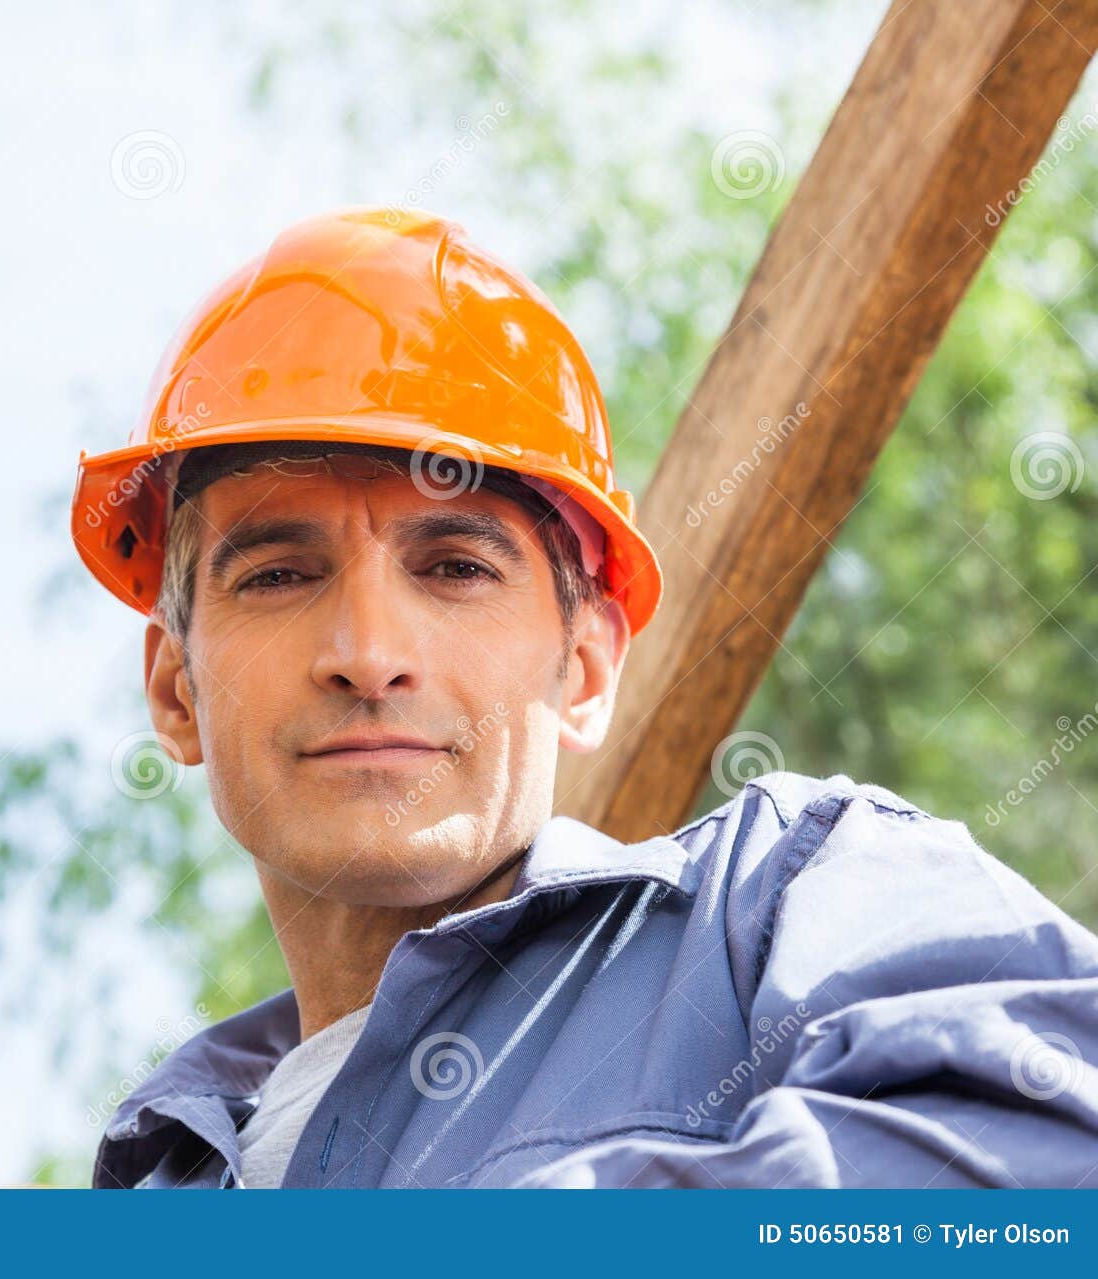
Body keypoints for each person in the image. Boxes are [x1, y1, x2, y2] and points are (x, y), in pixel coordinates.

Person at [69, 206, 1098, 1189]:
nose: (367, 652)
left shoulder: (782, 899)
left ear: (588, 665)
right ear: (175, 689)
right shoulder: (167, 1169)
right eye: (279, 574)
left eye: (456, 568)